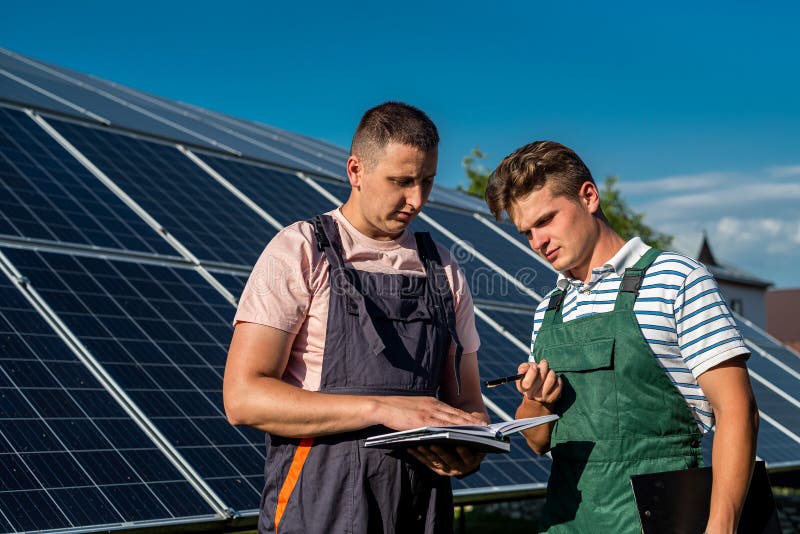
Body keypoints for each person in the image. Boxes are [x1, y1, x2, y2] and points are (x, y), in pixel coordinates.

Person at [223, 102, 489, 534]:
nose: (417, 200)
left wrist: (470, 445)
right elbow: (243, 398)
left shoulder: (444, 269)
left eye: (427, 181)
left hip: (420, 509)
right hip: (319, 506)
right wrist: (381, 408)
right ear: (356, 171)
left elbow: (468, 403)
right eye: (401, 182)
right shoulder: (299, 250)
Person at [484, 141, 758, 534]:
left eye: (546, 221)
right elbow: (538, 441)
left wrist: (721, 527)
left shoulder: (677, 279)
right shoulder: (549, 308)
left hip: (667, 520)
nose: (538, 242)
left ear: (588, 197)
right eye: (527, 232)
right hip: (567, 524)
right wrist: (534, 400)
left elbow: (738, 410)